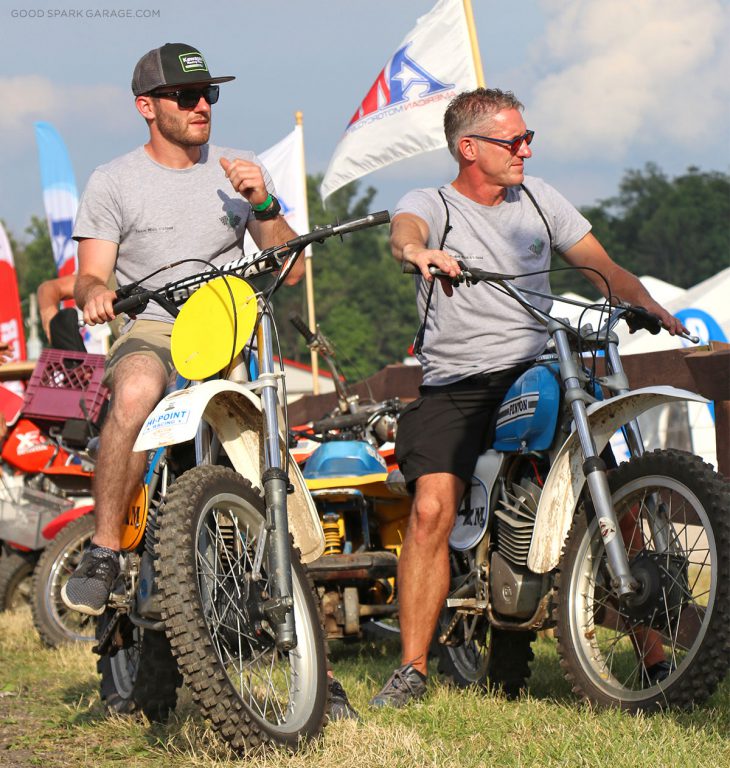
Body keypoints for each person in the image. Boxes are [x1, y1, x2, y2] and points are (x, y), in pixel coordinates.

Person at [59, 43, 356, 719]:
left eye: (209, 95)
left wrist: (265, 198)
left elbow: (291, 268)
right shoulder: (114, 180)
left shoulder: (238, 176)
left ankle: (312, 667)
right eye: (187, 97)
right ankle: (105, 551)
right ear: (147, 107)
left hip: (229, 337)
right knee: (133, 391)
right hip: (156, 331)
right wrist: (99, 292)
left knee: (271, 477)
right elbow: (89, 275)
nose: (202, 107)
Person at [370, 88, 686, 708]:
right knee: (433, 508)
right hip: (458, 382)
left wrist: (644, 302)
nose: (525, 149)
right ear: (468, 148)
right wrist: (419, 253)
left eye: (527, 137)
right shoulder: (430, 202)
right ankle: (412, 669)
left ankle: (656, 651)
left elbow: (601, 267)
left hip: (540, 364)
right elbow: (404, 233)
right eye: (512, 141)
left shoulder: (541, 200)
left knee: (616, 486)